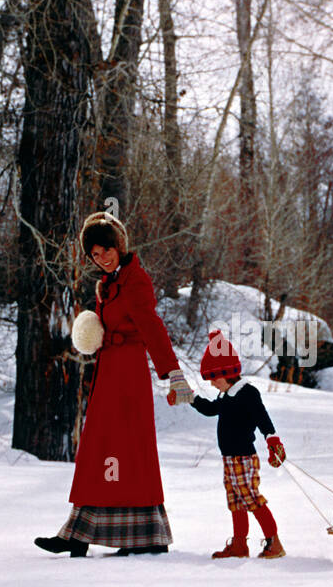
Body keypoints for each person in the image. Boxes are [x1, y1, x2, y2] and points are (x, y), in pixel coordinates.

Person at [34, 212, 192, 557]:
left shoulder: (135, 280)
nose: (101, 258)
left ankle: (142, 536)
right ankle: (77, 532)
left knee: (125, 451)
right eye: (94, 254)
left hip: (129, 377)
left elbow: (152, 328)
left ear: (118, 247)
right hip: (109, 372)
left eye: (106, 250)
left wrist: (174, 375)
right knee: (100, 452)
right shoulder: (109, 282)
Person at [182, 329, 286, 559]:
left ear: (227, 372)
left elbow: (263, 419)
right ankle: (240, 545)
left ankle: (274, 542)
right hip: (229, 458)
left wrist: (273, 441)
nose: (212, 384)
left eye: (214, 378)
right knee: (235, 501)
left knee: (250, 498)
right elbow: (210, 410)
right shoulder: (225, 396)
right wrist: (189, 397)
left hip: (244, 458)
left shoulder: (247, 394)